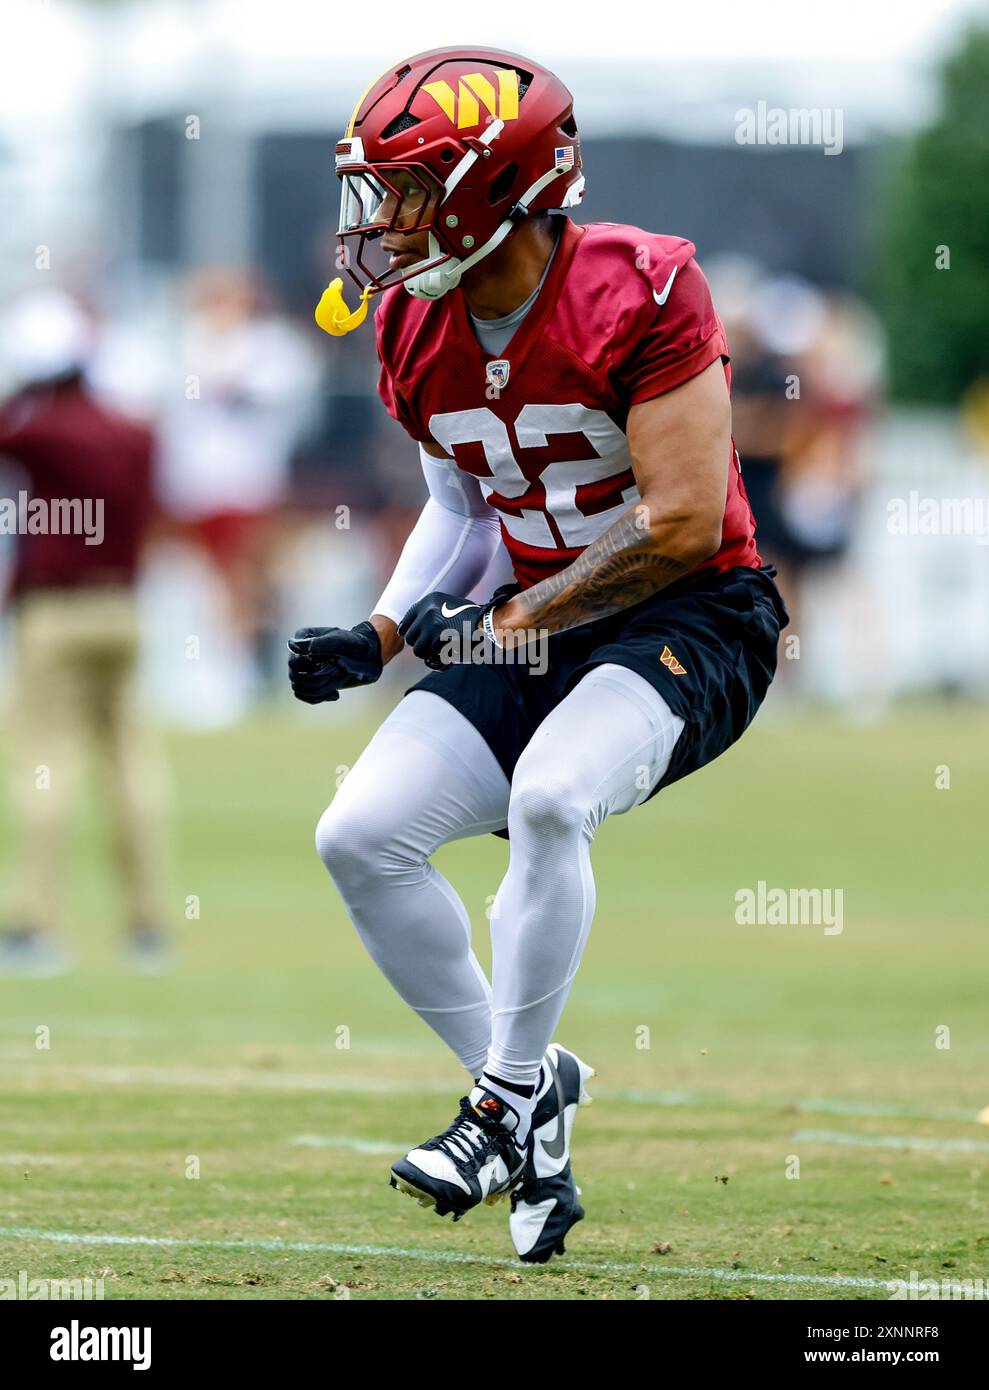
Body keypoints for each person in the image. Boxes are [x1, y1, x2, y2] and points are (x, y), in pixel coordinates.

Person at [288, 46, 788, 1263]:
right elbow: (463, 508)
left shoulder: (645, 284)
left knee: (554, 795)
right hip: (530, 616)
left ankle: (497, 1106)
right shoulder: (415, 322)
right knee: (357, 834)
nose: (383, 221)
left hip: (692, 615)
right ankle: (526, 1083)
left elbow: (675, 522)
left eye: (405, 190)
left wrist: (507, 625)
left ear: (486, 189)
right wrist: (386, 629)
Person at [0, 291, 170, 975]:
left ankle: (36, 926)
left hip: (56, 614)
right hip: (125, 611)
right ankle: (148, 927)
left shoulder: (39, 433)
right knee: (133, 765)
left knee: (48, 765)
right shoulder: (137, 433)